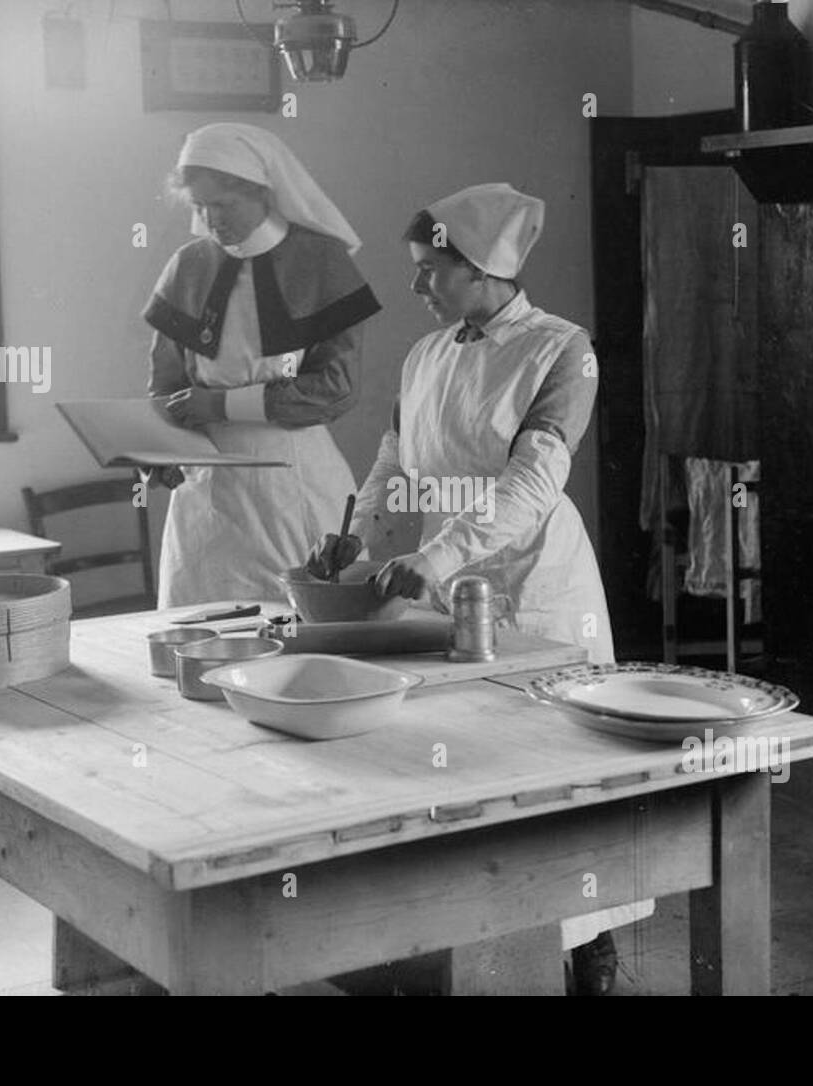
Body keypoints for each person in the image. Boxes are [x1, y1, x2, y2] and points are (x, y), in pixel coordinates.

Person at [313, 183, 643, 994]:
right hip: (448, 587)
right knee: (477, 777)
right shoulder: (427, 353)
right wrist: (361, 529)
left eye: (431, 270)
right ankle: (490, 960)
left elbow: (531, 486)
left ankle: (591, 956)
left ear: (483, 267)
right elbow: (396, 459)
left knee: (561, 784)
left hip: (535, 585)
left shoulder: (563, 350)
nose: (418, 286)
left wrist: (439, 556)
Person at [144, 123, 380, 607]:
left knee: (305, 619)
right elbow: (166, 380)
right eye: (199, 207)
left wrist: (223, 404)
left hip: (290, 477)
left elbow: (336, 387)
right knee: (202, 621)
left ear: (263, 193)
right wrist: (160, 448)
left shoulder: (321, 261)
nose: (211, 219)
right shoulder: (188, 266)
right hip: (207, 486)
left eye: (223, 205)